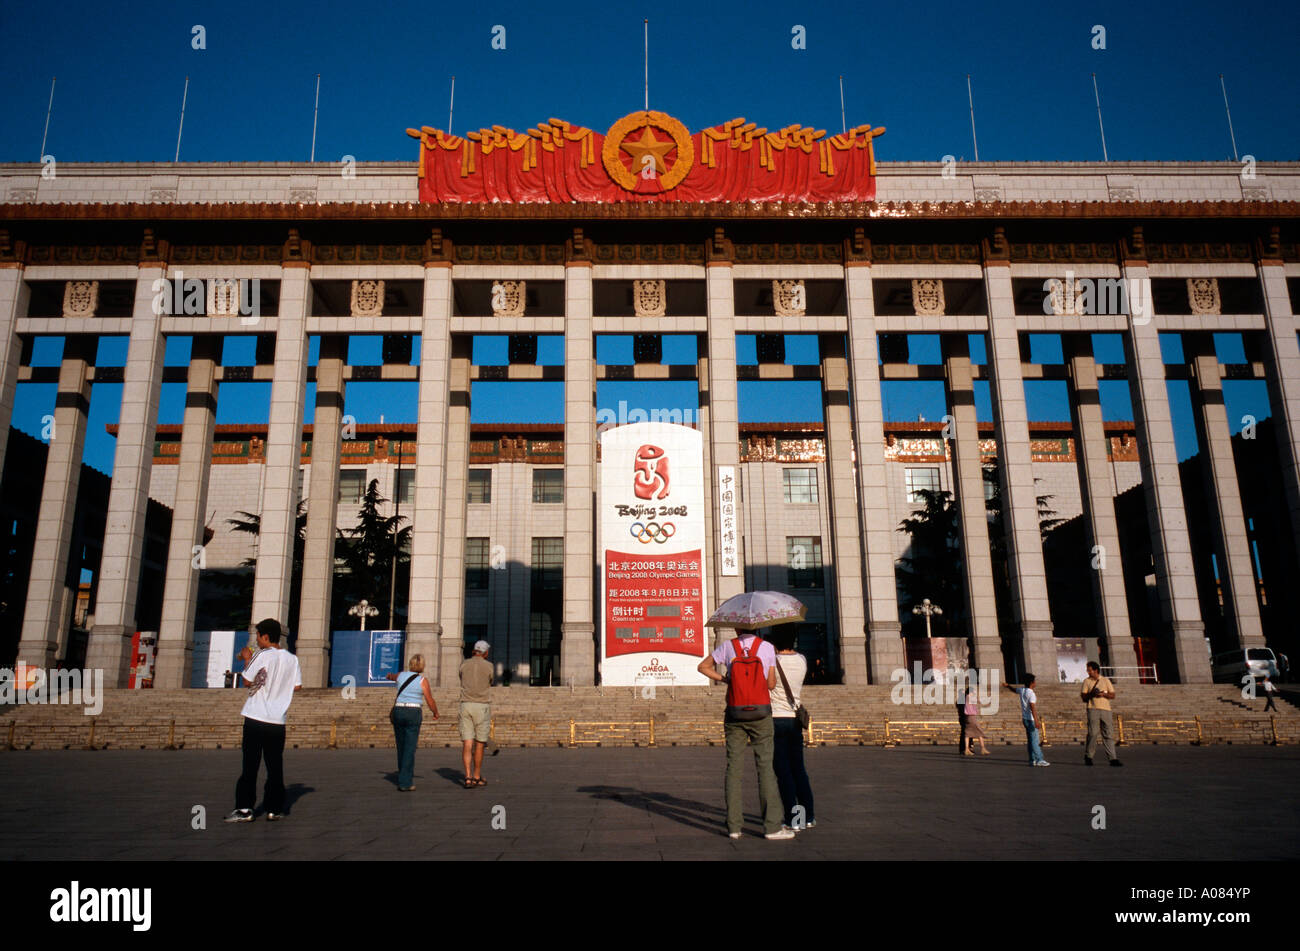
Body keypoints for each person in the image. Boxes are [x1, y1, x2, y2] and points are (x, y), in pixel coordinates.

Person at [698, 630, 794, 840]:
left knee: (734, 768)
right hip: (760, 713)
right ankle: (772, 827)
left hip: (735, 712)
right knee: (765, 767)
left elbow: (702, 667)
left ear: (736, 628)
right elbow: (770, 684)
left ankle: (733, 826)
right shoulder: (767, 648)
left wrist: (726, 679)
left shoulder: (728, 646)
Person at [225, 618, 302, 822]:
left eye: (258, 636)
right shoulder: (292, 659)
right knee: (274, 766)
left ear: (266, 637)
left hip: (256, 717)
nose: (257, 640)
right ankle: (274, 808)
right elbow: (297, 686)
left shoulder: (262, 654)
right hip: (277, 721)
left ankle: (244, 809)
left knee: (250, 765)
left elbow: (247, 680)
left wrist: (246, 658)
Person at [769, 628, 815, 831]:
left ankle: (792, 819)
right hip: (795, 719)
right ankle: (808, 817)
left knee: (783, 772)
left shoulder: (771, 661)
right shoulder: (802, 660)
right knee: (799, 769)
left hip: (776, 718)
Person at [386, 654, 439, 791]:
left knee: (401, 745)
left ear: (410, 664)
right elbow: (429, 699)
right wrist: (435, 712)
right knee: (410, 747)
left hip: (398, 710)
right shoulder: (423, 680)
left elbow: (392, 677)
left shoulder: (401, 675)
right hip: (413, 712)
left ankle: (403, 774)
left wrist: (389, 676)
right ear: (422, 666)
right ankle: (405, 782)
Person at [459, 640, 494, 788]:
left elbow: (461, 678)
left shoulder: (464, 664)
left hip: (465, 704)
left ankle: (467, 777)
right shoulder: (489, 666)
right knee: (479, 744)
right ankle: (477, 776)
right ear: (485, 653)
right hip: (481, 705)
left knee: (467, 743)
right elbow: (490, 681)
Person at [1081, 661, 1122, 766]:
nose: (1088, 672)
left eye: (1089, 670)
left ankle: (1112, 758)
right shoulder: (1086, 681)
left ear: (1096, 670)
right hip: (1092, 708)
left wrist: (1103, 694)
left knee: (1108, 734)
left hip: (1105, 709)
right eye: (1088, 670)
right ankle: (1089, 756)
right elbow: (1083, 697)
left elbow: (1112, 695)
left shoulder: (1105, 680)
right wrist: (1092, 694)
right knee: (1093, 733)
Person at [1005, 673, 1049, 766]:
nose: (1036, 683)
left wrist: (1008, 685)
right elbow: (1032, 707)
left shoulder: (1022, 690)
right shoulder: (1031, 693)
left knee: (1030, 740)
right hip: (1031, 720)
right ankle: (1039, 759)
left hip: (1025, 719)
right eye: (1034, 681)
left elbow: (1014, 690)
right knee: (1034, 740)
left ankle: (1032, 759)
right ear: (1031, 683)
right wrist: (1036, 721)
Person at [963, 674, 991, 755]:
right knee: (979, 732)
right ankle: (983, 748)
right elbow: (978, 701)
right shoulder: (970, 697)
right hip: (972, 717)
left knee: (968, 734)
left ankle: (967, 749)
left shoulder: (966, 697)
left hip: (968, 717)